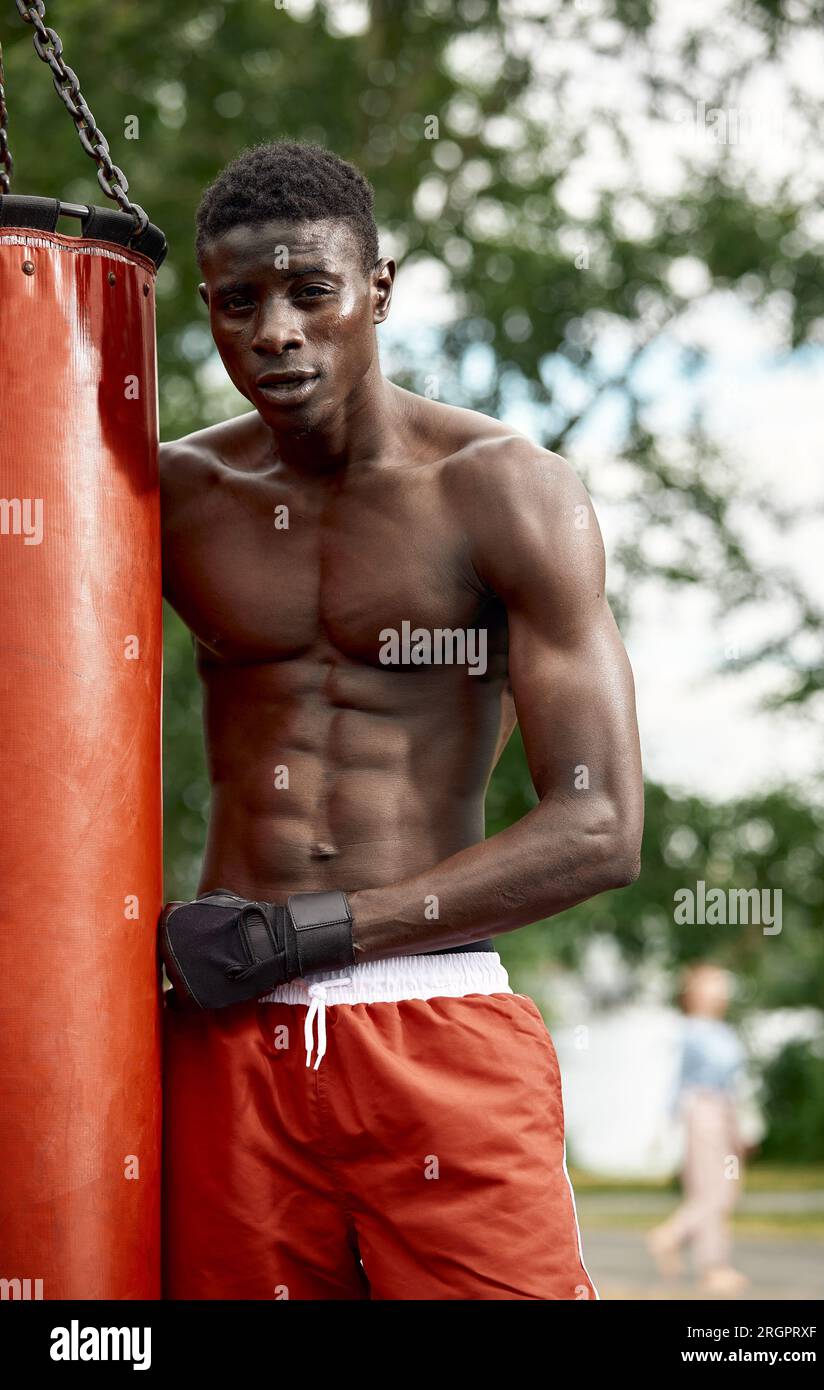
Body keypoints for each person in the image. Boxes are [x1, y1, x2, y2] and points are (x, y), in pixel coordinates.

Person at [159, 139, 644, 1301]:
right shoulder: (165, 496)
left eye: (308, 293)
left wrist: (299, 935)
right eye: (239, 303)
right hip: (226, 1044)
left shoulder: (503, 488)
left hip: (431, 1016)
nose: (273, 332)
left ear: (378, 289)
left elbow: (599, 828)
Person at [647, 964, 750, 1296]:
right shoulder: (690, 1031)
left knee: (728, 1188)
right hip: (701, 1110)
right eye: (712, 984)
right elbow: (677, 1080)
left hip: (726, 1110)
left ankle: (694, 1251)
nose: (721, 990)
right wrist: (666, 1124)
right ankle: (696, 1255)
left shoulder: (724, 1031)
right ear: (694, 993)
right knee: (711, 1190)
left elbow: (736, 1084)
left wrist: (742, 1128)